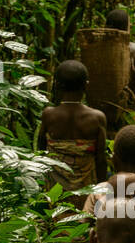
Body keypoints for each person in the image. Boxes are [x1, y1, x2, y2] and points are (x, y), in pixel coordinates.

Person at [38, 60, 107, 197]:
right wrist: (102, 191)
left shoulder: (49, 114)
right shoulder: (97, 118)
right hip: (87, 190)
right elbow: (100, 159)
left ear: (56, 85)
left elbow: (41, 150)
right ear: (86, 86)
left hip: (54, 192)